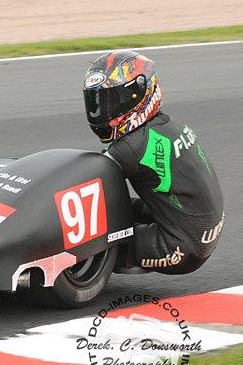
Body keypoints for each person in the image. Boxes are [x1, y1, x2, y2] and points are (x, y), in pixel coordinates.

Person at [82, 50, 224, 274]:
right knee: (121, 207)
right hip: (200, 232)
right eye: (99, 103)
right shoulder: (167, 125)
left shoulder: (132, 147)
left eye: (113, 102)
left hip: (177, 247)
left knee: (88, 236)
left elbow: (84, 180)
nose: (106, 114)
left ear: (139, 96)